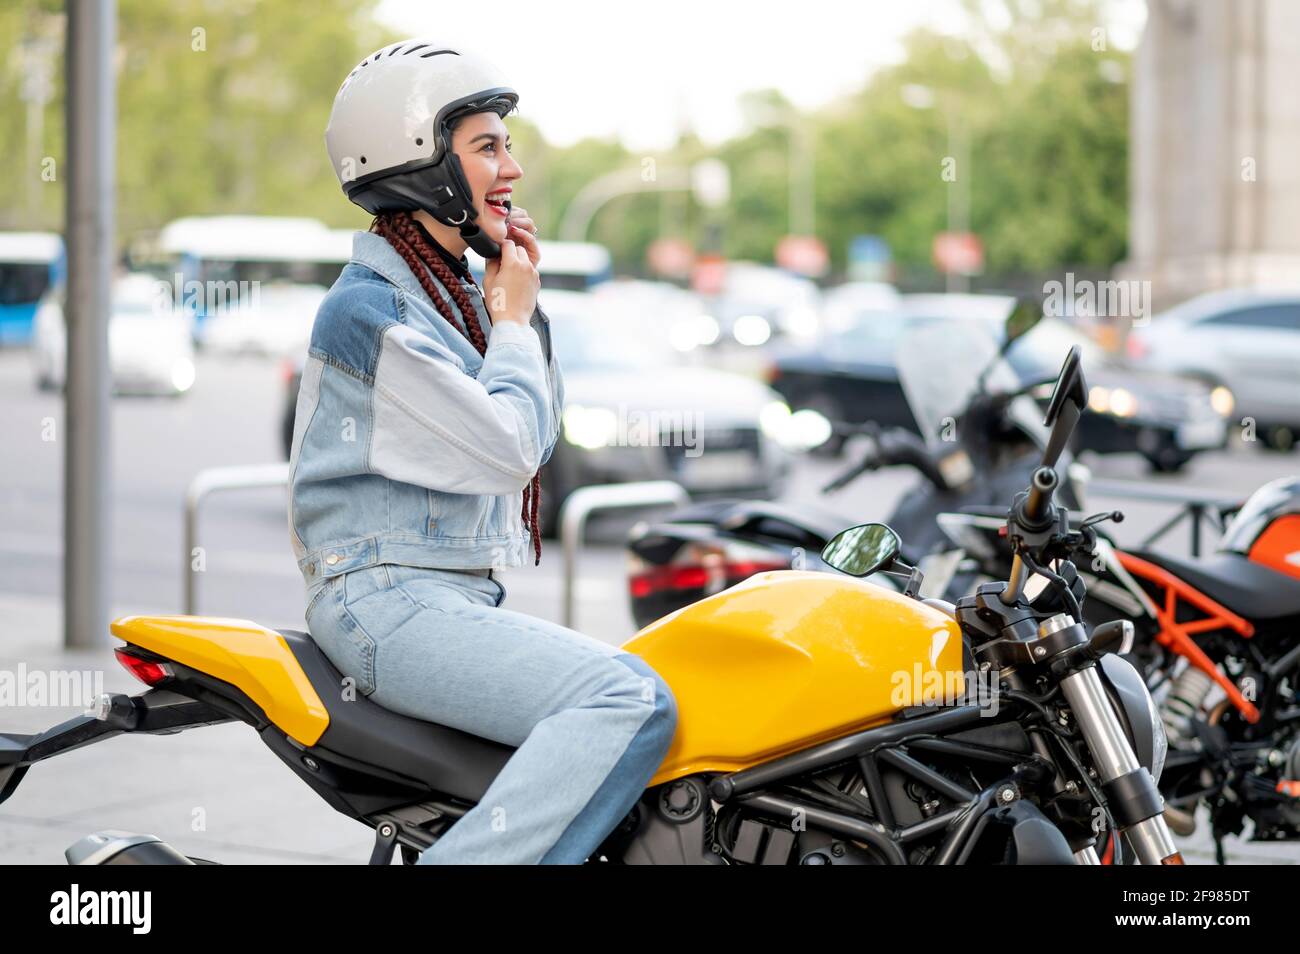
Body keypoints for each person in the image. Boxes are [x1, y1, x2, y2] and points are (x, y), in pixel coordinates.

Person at [288, 39, 678, 864]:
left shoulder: (455, 292)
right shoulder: (369, 312)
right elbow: (507, 453)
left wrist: (520, 303)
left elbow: (535, 432)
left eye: (507, 144)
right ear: (421, 163)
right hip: (384, 602)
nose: (514, 167)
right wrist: (509, 321)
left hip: (446, 598)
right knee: (625, 698)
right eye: (487, 146)